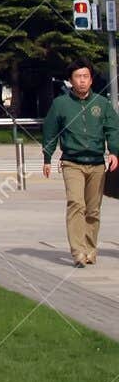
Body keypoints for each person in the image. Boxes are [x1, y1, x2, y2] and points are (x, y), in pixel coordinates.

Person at [42, 62, 119, 267]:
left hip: (97, 164)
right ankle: (77, 252)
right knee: (76, 204)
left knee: (93, 210)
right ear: (71, 80)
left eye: (86, 76)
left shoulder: (102, 104)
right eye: (78, 76)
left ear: (91, 79)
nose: (82, 80)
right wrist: (47, 158)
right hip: (71, 163)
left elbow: (113, 129)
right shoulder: (60, 104)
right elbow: (50, 131)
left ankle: (90, 249)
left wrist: (114, 152)